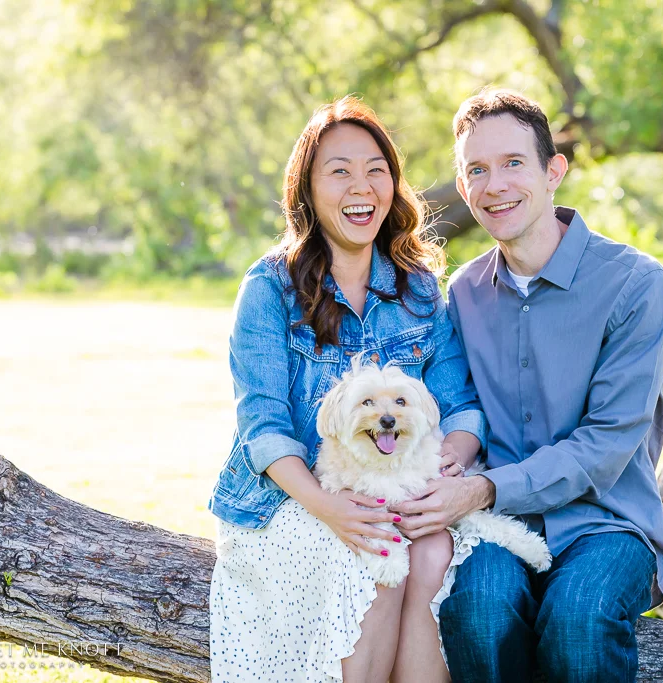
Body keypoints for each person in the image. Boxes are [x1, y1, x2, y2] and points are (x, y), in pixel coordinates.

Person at [389, 88, 663, 682]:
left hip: (608, 519)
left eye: (513, 163)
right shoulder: (463, 294)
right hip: (501, 525)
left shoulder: (635, 284)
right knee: (476, 611)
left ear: (554, 171)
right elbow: (455, 406)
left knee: (579, 616)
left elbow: (605, 447)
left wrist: (482, 490)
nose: (495, 185)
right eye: (477, 170)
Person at [207, 95, 486, 683]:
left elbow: (459, 406)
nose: (361, 187)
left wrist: (443, 470)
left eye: (375, 170)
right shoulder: (268, 289)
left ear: (392, 185)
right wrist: (331, 507)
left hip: (394, 488)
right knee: (376, 558)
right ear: (306, 189)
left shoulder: (417, 290)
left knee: (433, 553)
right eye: (339, 171)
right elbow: (263, 427)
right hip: (288, 501)